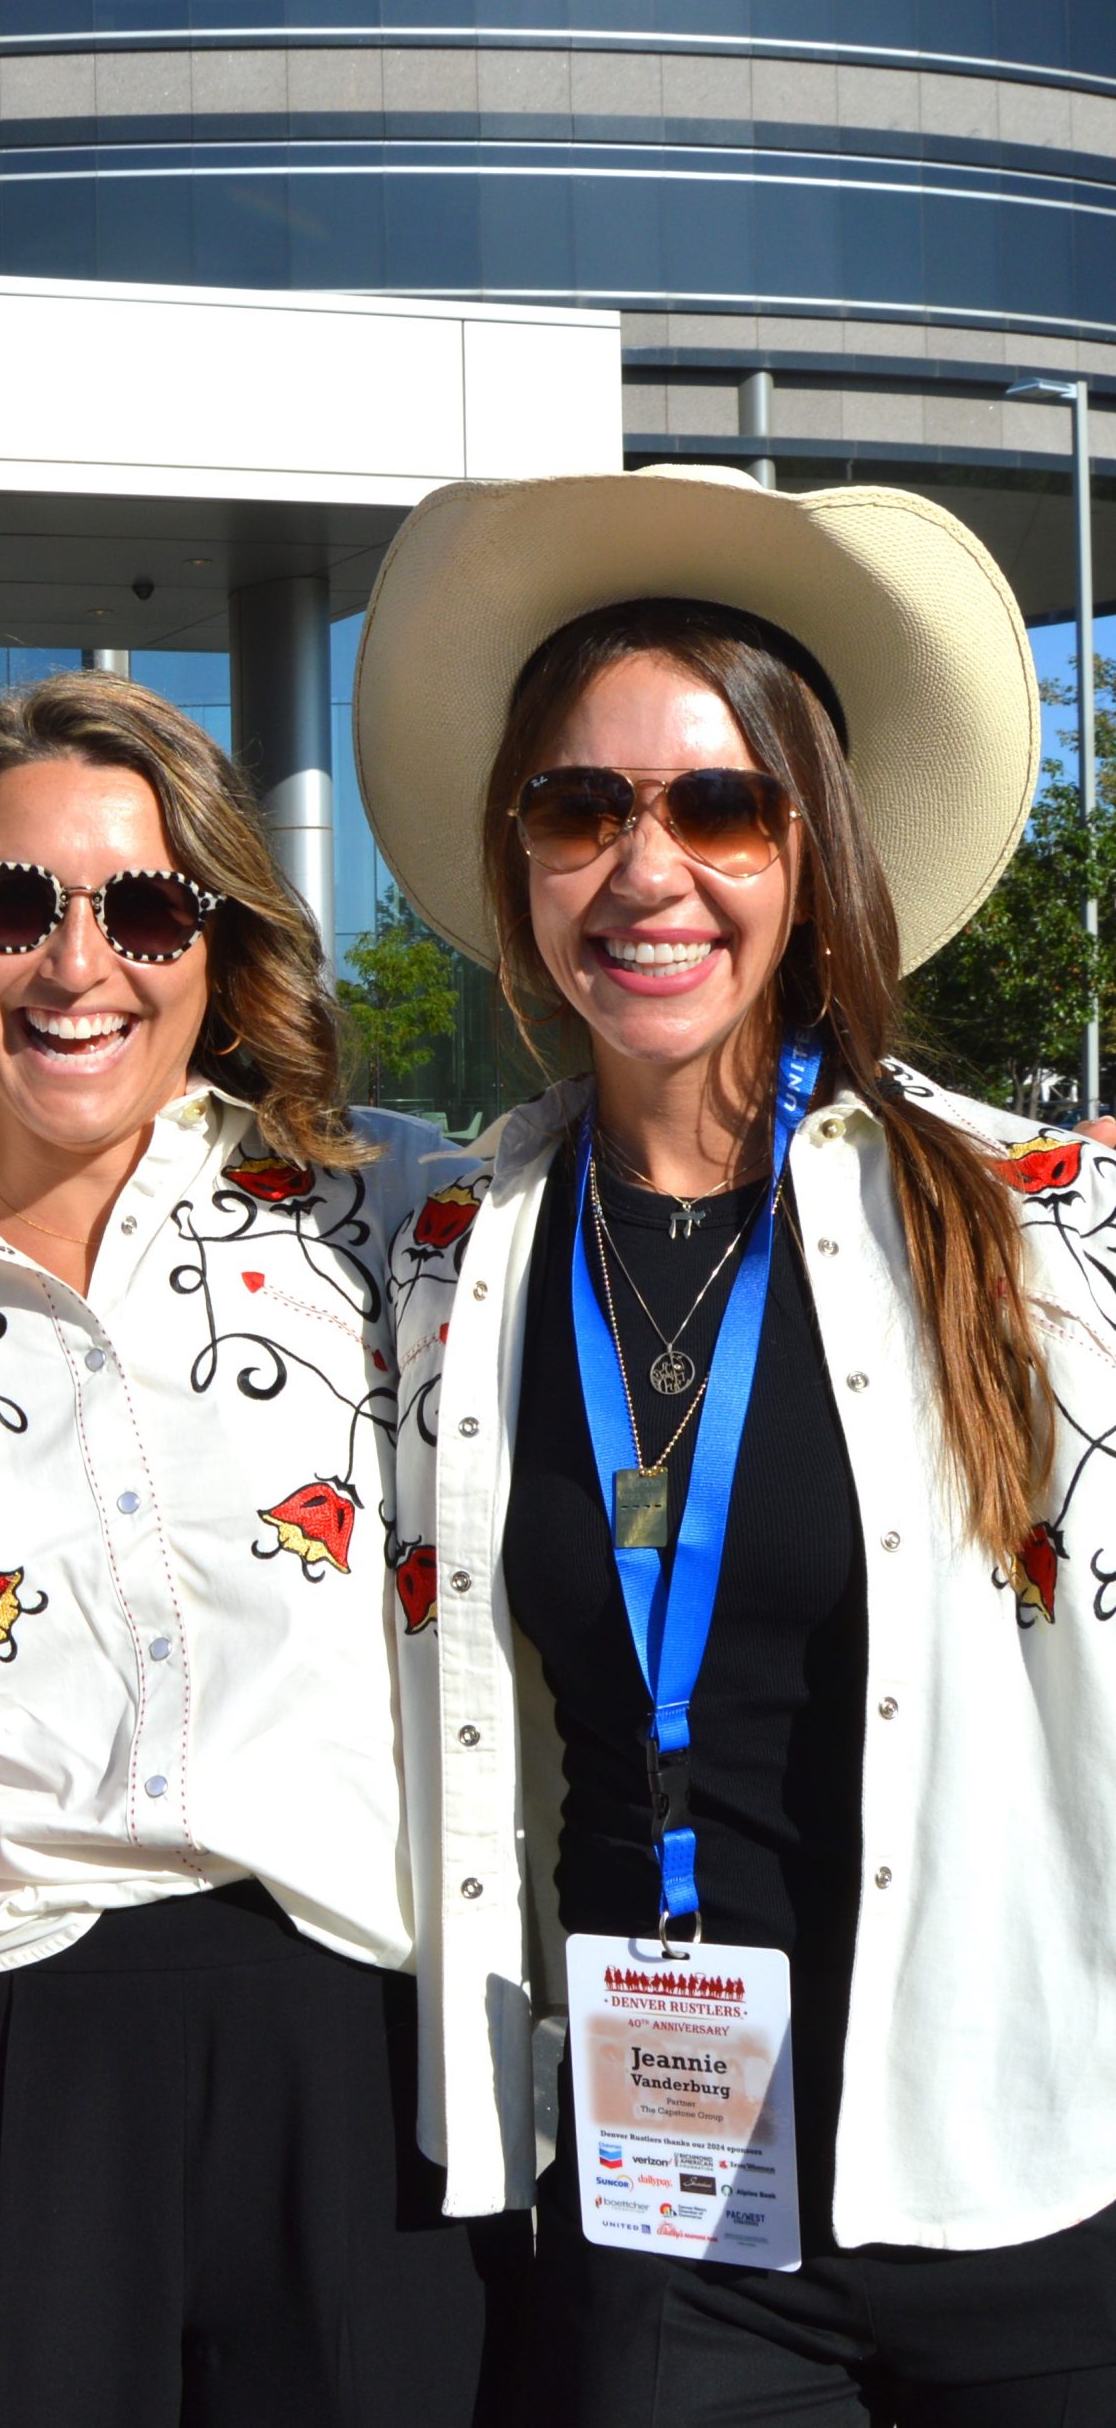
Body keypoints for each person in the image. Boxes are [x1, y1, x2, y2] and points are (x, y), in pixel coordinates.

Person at [360, 465, 1116, 2424]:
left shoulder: (1039, 1231)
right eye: (579, 806)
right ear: (518, 853)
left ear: (810, 845)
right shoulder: (442, 1253)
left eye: (716, 805)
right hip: (662, 2209)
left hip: (1025, 2175)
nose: (645, 868)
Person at [0, 669, 519, 2428]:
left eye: (145, 909)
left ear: (219, 939)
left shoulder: (398, 1216)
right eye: (14, 905)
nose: (76, 963)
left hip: (358, 2040)